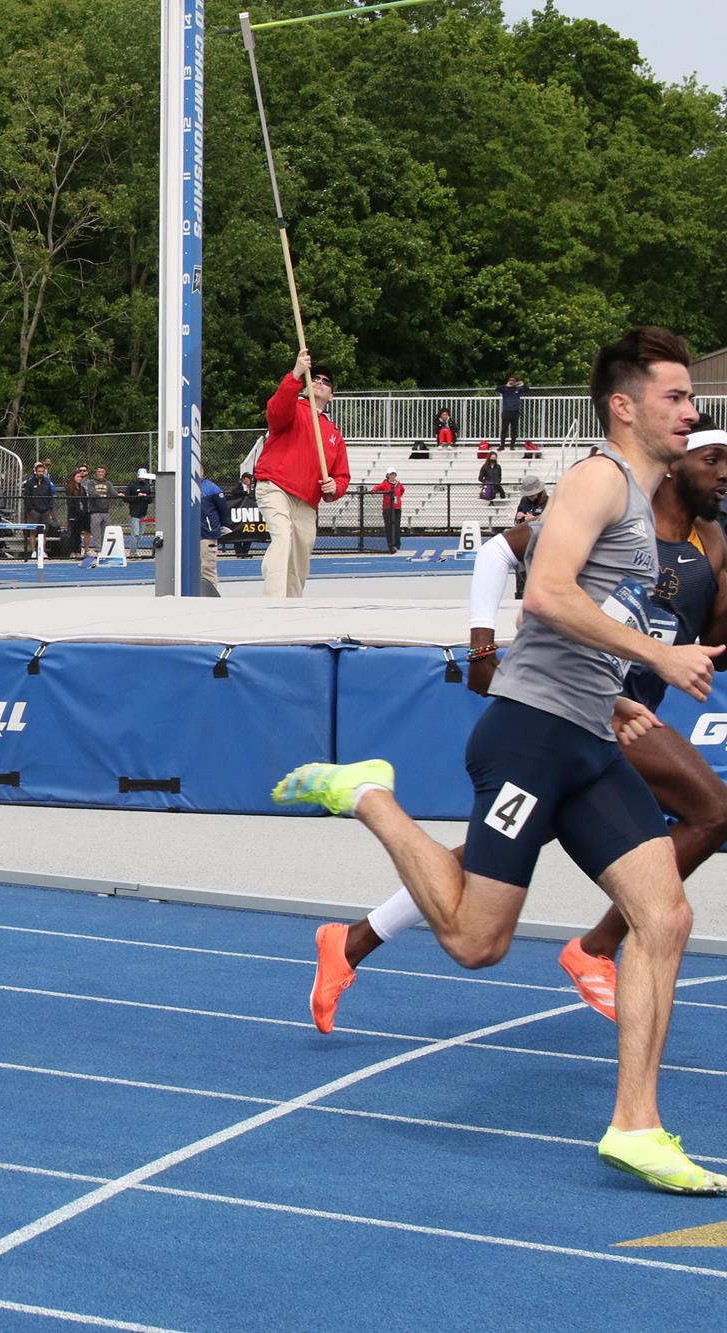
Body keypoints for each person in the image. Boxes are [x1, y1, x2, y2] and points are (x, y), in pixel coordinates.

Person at [272, 327, 722, 1194]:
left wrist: (616, 691)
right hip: (530, 737)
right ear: (625, 405)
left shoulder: (647, 497)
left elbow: (573, 617)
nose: (691, 411)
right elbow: (545, 595)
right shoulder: (600, 479)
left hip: (587, 733)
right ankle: (371, 795)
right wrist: (658, 660)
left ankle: (637, 1126)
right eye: (674, 396)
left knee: (663, 917)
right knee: (479, 940)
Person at [311, 421, 727, 1036]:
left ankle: (352, 941)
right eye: (714, 458)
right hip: (572, 707)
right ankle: (594, 948)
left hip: (625, 712)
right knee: (713, 810)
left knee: (507, 852)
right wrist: (482, 644)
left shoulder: (712, 544)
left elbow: (713, 640)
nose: (724, 472)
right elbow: (496, 552)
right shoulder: (614, 511)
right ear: (674, 464)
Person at [255, 349, 350, 597]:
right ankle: (272, 602)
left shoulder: (333, 434)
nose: (319, 382)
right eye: (315, 378)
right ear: (307, 386)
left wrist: (334, 488)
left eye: (325, 381)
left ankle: (291, 606)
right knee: (282, 538)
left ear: (332, 395)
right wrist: (296, 373)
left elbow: (342, 476)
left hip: (307, 502)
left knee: (300, 557)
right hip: (276, 487)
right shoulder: (294, 407)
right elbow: (274, 412)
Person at [197, 463, 229, 593]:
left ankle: (211, 593)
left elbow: (224, 511)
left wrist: (215, 528)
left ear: (202, 471)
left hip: (207, 535)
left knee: (207, 566)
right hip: (189, 535)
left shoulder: (211, 488)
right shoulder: (184, 487)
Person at [83, 464, 115, 559]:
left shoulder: (108, 483)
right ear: (96, 473)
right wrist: (101, 495)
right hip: (95, 511)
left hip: (105, 511)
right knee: (96, 533)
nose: (100, 473)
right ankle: (98, 550)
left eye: (102, 472)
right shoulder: (91, 482)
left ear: (105, 473)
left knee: (105, 532)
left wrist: (120, 494)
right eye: (99, 472)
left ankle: (105, 550)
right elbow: (92, 493)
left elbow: (113, 492)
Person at [226, 472, 260, 558]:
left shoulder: (253, 487)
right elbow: (234, 492)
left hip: (249, 514)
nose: (250, 481)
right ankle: (239, 552)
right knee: (237, 532)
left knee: (249, 532)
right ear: (244, 479)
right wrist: (246, 493)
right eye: (248, 479)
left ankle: (245, 552)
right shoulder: (239, 486)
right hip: (240, 513)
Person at [23, 459, 58, 543]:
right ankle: (33, 552)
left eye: (42, 471)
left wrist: (49, 508)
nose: (41, 473)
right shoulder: (30, 482)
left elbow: (50, 495)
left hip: (45, 511)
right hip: (34, 511)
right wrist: (31, 509)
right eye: (39, 471)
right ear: (35, 471)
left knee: (44, 532)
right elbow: (27, 496)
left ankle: (42, 552)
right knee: (33, 532)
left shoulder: (47, 482)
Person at [370, 469, 404, 552]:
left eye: (394, 474)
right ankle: (390, 545)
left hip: (397, 508)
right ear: (388, 475)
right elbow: (376, 488)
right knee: (389, 527)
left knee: (396, 527)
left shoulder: (398, 484)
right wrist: (373, 491)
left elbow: (402, 490)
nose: (392, 476)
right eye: (391, 474)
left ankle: (397, 544)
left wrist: (398, 499)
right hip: (388, 509)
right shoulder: (385, 483)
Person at [121, 468, 153, 542]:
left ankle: (136, 548)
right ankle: (133, 552)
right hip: (134, 514)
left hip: (143, 514)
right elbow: (126, 498)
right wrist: (136, 496)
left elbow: (150, 500)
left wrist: (145, 497)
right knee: (135, 533)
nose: (142, 477)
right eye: (140, 475)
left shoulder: (147, 486)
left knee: (141, 534)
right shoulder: (132, 486)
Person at [500, 374, 526, 451]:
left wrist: (522, 384)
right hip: (506, 412)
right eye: (510, 381)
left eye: (513, 381)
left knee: (514, 430)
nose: (511, 382)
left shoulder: (518, 389)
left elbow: (527, 389)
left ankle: (512, 446)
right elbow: (497, 389)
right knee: (504, 429)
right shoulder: (504, 389)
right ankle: (502, 445)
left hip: (515, 412)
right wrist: (506, 385)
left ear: (515, 382)